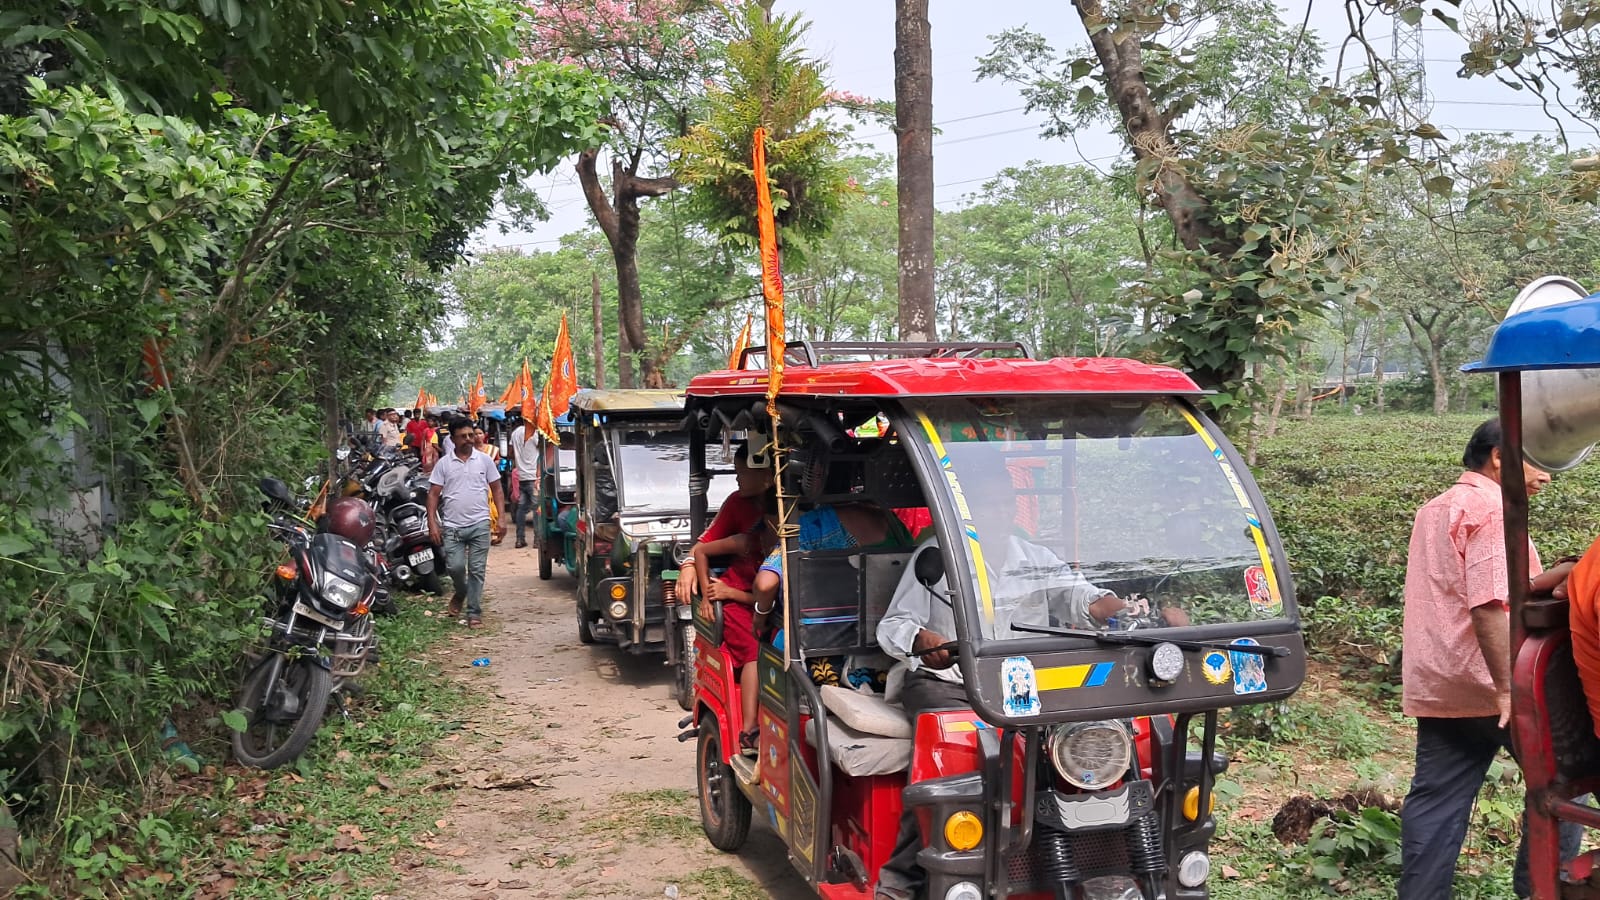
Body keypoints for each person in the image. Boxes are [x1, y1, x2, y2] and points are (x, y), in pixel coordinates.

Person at [872, 476, 1171, 900]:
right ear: (965, 512)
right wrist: (924, 641)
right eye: (987, 505)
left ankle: (1107, 861)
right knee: (948, 765)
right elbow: (894, 626)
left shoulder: (1033, 556)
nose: (997, 513)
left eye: (1004, 504)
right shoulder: (937, 556)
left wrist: (1116, 607)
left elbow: (1079, 597)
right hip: (949, 682)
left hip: (1028, 684)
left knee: (1104, 741)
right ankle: (901, 882)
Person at [1397, 418, 1577, 899]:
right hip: (1500, 686)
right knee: (1562, 789)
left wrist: (1557, 571)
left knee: (1435, 802)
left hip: (1442, 683)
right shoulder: (1494, 509)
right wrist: (1505, 688)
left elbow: (1479, 589)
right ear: (1500, 457)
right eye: (1539, 462)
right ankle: (1542, 891)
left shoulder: (1435, 509)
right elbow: (1489, 606)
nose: (1547, 477)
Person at [681, 442, 776, 752]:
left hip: (762, 600)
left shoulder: (780, 513)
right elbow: (702, 547)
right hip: (739, 601)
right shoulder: (745, 529)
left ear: (767, 478)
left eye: (742, 473)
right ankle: (749, 728)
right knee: (753, 650)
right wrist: (705, 592)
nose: (737, 479)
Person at [427, 418, 506, 628]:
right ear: (452, 439)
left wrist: (502, 518)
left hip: (480, 523)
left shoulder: (484, 460)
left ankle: (474, 613)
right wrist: (433, 523)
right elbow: (433, 495)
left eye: (471, 435)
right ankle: (461, 592)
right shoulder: (443, 464)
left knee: (477, 570)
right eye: (463, 436)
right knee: (455, 567)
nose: (469, 439)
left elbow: (497, 488)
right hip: (452, 526)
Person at [509, 419, 540, 550]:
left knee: (521, 509)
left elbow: (510, 453)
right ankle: (537, 540)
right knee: (537, 509)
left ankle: (519, 539)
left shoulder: (515, 433)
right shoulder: (535, 433)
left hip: (521, 476)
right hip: (534, 477)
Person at [474, 426, 504, 545]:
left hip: (491, 482)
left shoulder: (492, 449)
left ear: (484, 435)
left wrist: (492, 463)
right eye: (475, 434)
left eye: (480, 433)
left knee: (493, 508)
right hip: (477, 483)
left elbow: (498, 460)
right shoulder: (471, 451)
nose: (478, 436)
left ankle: (495, 533)